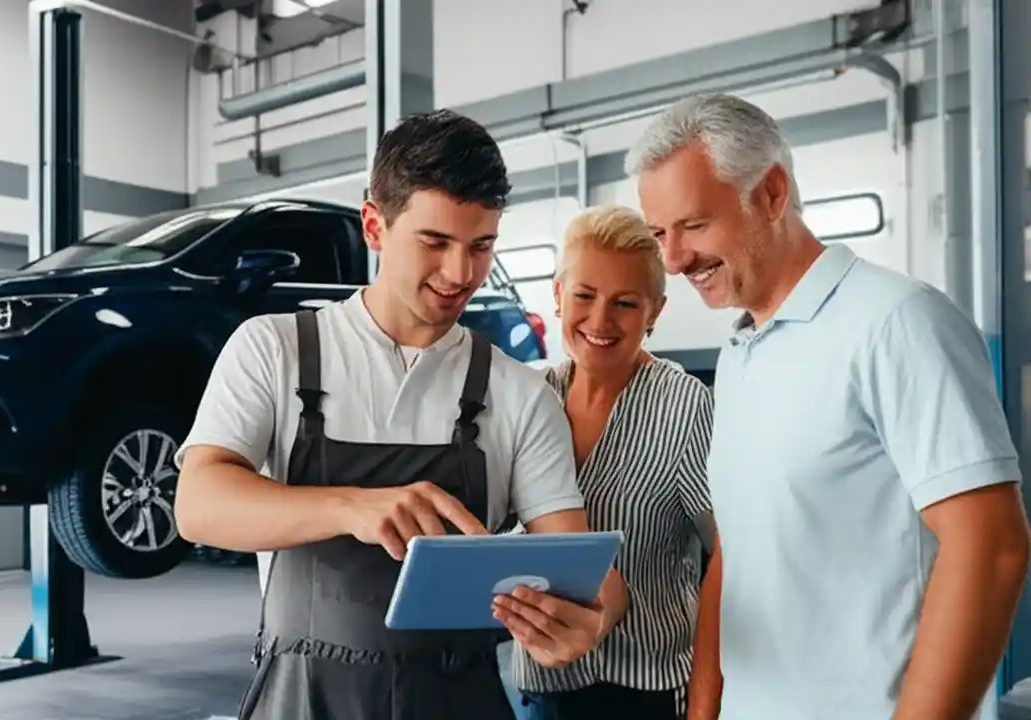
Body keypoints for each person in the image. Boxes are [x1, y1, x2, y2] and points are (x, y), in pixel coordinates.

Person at [173, 108, 629, 720]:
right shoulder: (274, 349)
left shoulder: (518, 394)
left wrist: (590, 621)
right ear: (374, 225)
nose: (460, 273)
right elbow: (197, 505)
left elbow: (589, 574)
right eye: (435, 243)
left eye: (481, 246)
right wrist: (352, 505)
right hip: (303, 701)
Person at [625, 92, 1031, 720]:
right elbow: (738, 546)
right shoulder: (739, 354)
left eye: (694, 225)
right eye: (660, 234)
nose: (674, 260)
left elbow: (990, 543)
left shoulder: (897, 322)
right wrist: (704, 708)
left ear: (772, 194)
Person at [510, 205, 716, 720]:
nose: (600, 321)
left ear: (655, 312)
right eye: (584, 296)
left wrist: (708, 702)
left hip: (646, 693)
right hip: (543, 689)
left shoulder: (684, 406)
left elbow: (730, 560)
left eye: (625, 303)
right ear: (558, 296)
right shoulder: (531, 398)